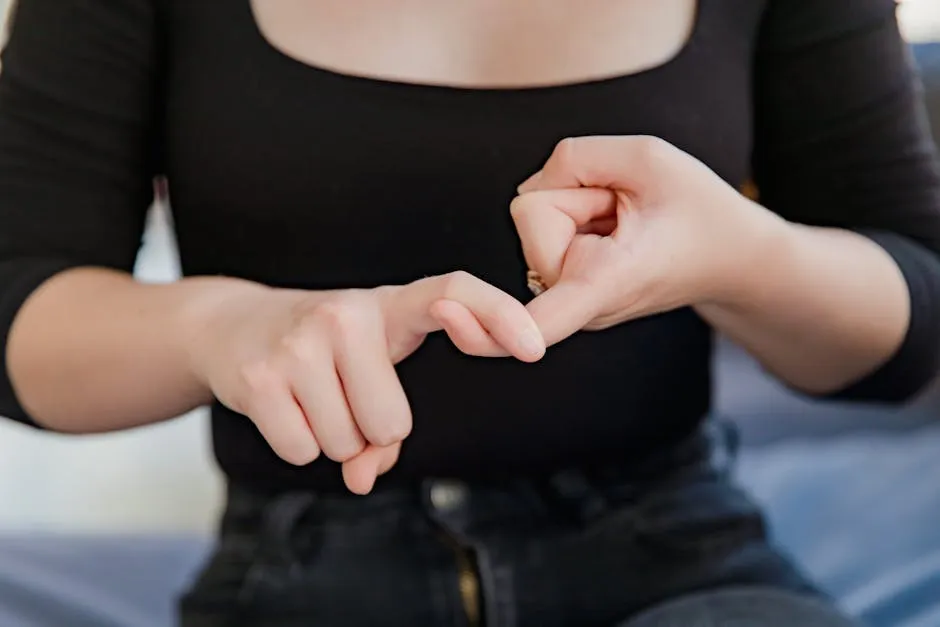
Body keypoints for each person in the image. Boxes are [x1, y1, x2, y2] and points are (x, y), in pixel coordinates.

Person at [1, 0, 939, 624]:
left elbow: (914, 317)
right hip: (298, 563)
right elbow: (18, 300)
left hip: (676, 549)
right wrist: (217, 327)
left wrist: (745, 254)